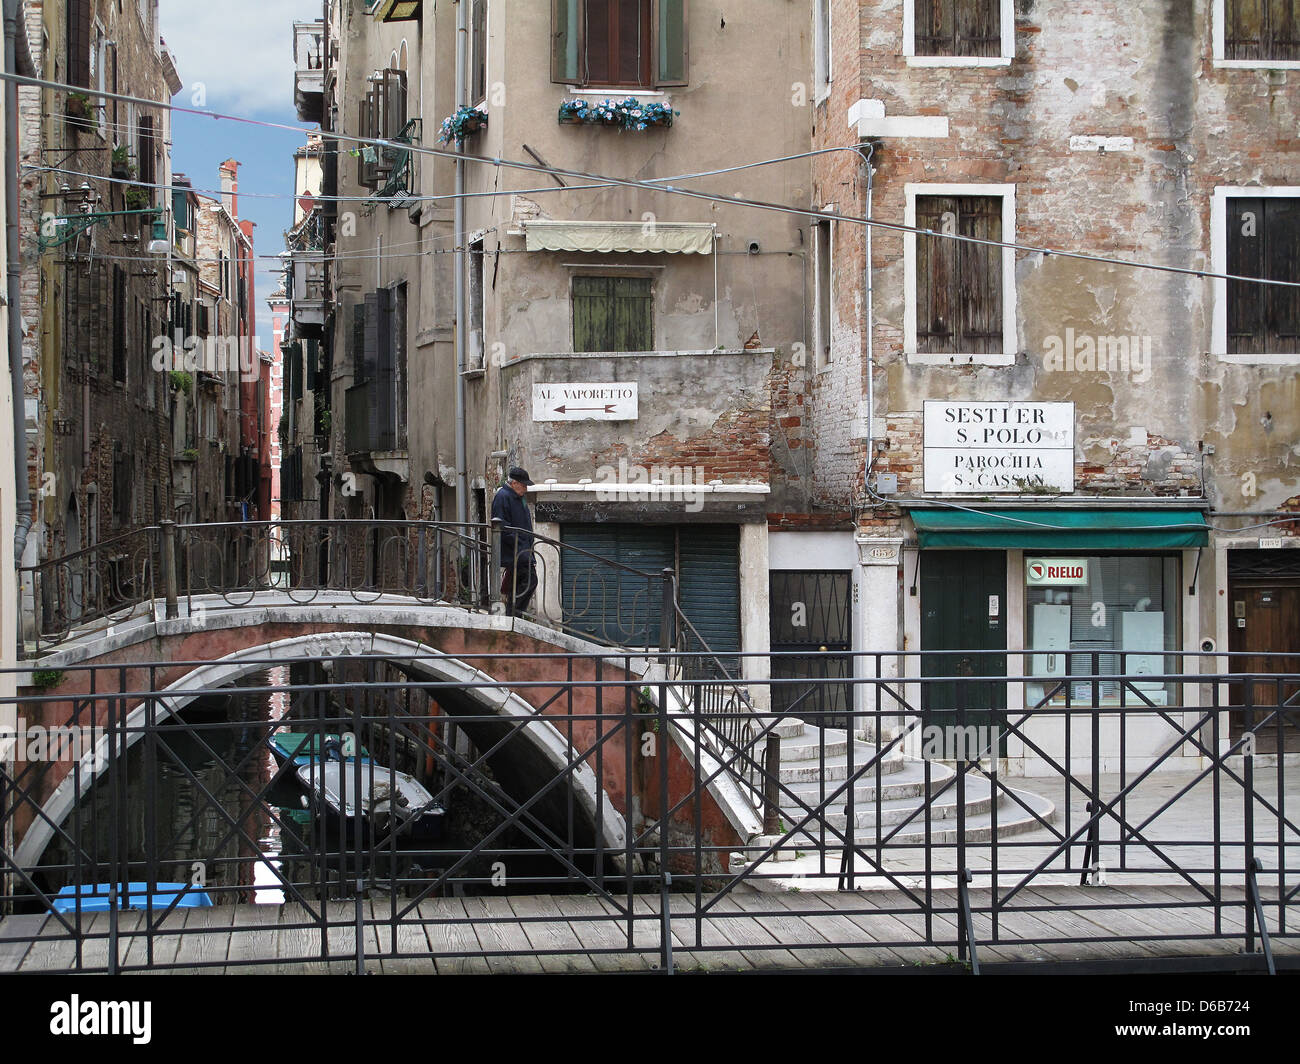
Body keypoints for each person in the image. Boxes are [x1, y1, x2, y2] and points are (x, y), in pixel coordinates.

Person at [491, 466, 537, 616]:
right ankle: (514, 613)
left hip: (523, 549)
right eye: (524, 485)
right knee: (530, 581)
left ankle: (513, 613)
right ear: (514, 483)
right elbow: (501, 525)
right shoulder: (503, 496)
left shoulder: (519, 497)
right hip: (516, 550)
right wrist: (520, 543)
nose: (525, 489)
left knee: (518, 584)